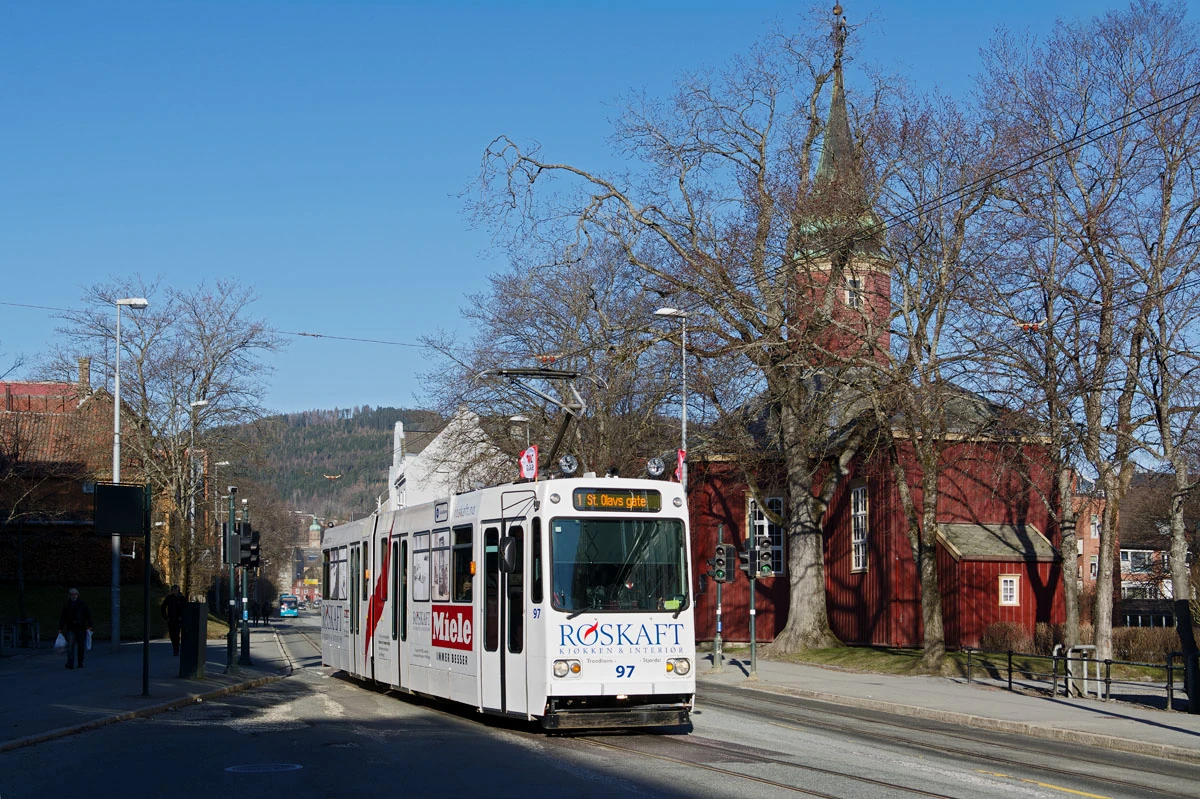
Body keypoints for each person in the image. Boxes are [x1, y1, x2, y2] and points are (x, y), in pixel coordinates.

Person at [58, 588, 93, 670]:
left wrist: (90, 625)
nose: (73, 595)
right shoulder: (66, 605)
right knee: (70, 646)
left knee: (80, 647)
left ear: (77, 595)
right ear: (69, 595)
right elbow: (62, 617)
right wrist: (60, 628)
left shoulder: (83, 604)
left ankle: (80, 662)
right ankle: (70, 663)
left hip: (81, 628)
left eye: (75, 594)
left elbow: (88, 616)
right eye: (71, 594)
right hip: (71, 627)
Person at [160, 585, 186, 656]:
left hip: (178, 620)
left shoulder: (182, 598)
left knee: (177, 634)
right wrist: (165, 617)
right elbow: (163, 607)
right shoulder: (169, 598)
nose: (175, 591)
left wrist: (182, 617)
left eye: (176, 590)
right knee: (172, 635)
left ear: (178, 590)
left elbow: (186, 608)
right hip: (171, 619)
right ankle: (175, 647)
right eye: (173, 590)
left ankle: (176, 650)